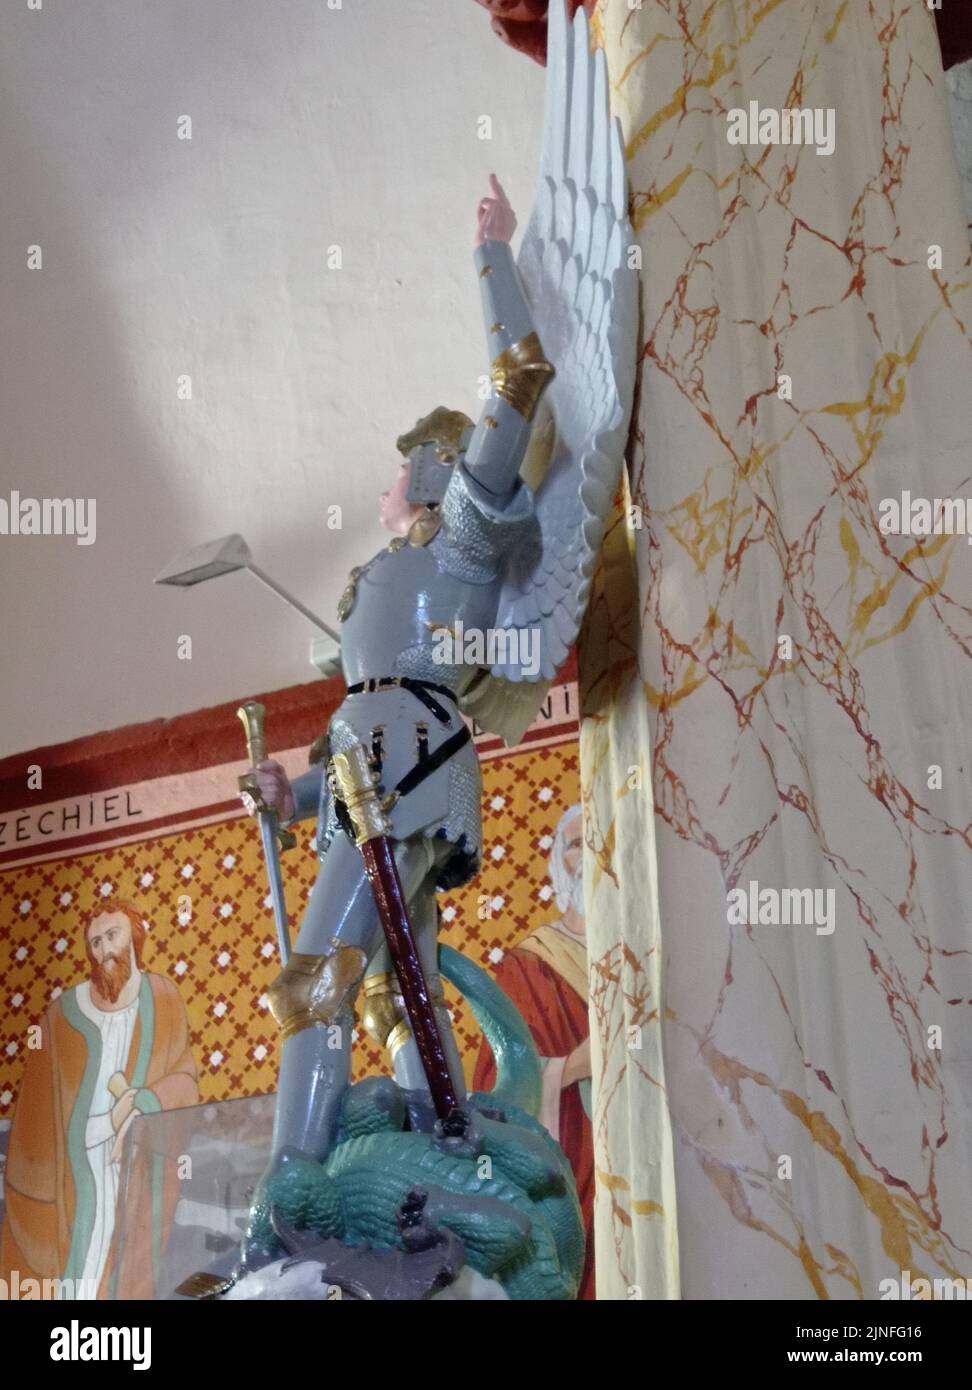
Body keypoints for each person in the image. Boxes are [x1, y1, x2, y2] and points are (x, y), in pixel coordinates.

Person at [240, 175, 556, 1256]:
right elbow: (347, 725)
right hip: (369, 773)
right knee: (401, 969)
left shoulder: (464, 539)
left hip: (411, 766)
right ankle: (436, 1128)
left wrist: (493, 255)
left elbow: (522, 374)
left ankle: (294, 1166)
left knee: (320, 972)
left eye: (396, 465)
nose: (385, 485)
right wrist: (290, 799)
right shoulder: (384, 582)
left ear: (430, 463)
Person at [0, 902, 198, 1298]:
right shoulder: (61, 1016)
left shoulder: (163, 997)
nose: (105, 950)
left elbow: (186, 1080)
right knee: (83, 1265)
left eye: (113, 935)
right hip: (76, 1174)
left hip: (140, 1167)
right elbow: (39, 1121)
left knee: (128, 1265)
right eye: (95, 942)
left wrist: (143, 1103)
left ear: (135, 937)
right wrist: (111, 1122)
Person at [473, 803, 595, 1297]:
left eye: (599, 840)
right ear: (557, 863)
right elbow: (493, 1090)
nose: (589, 855)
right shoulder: (529, 966)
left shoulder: (644, 946)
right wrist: (569, 1069)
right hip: (575, 1154)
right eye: (576, 844)